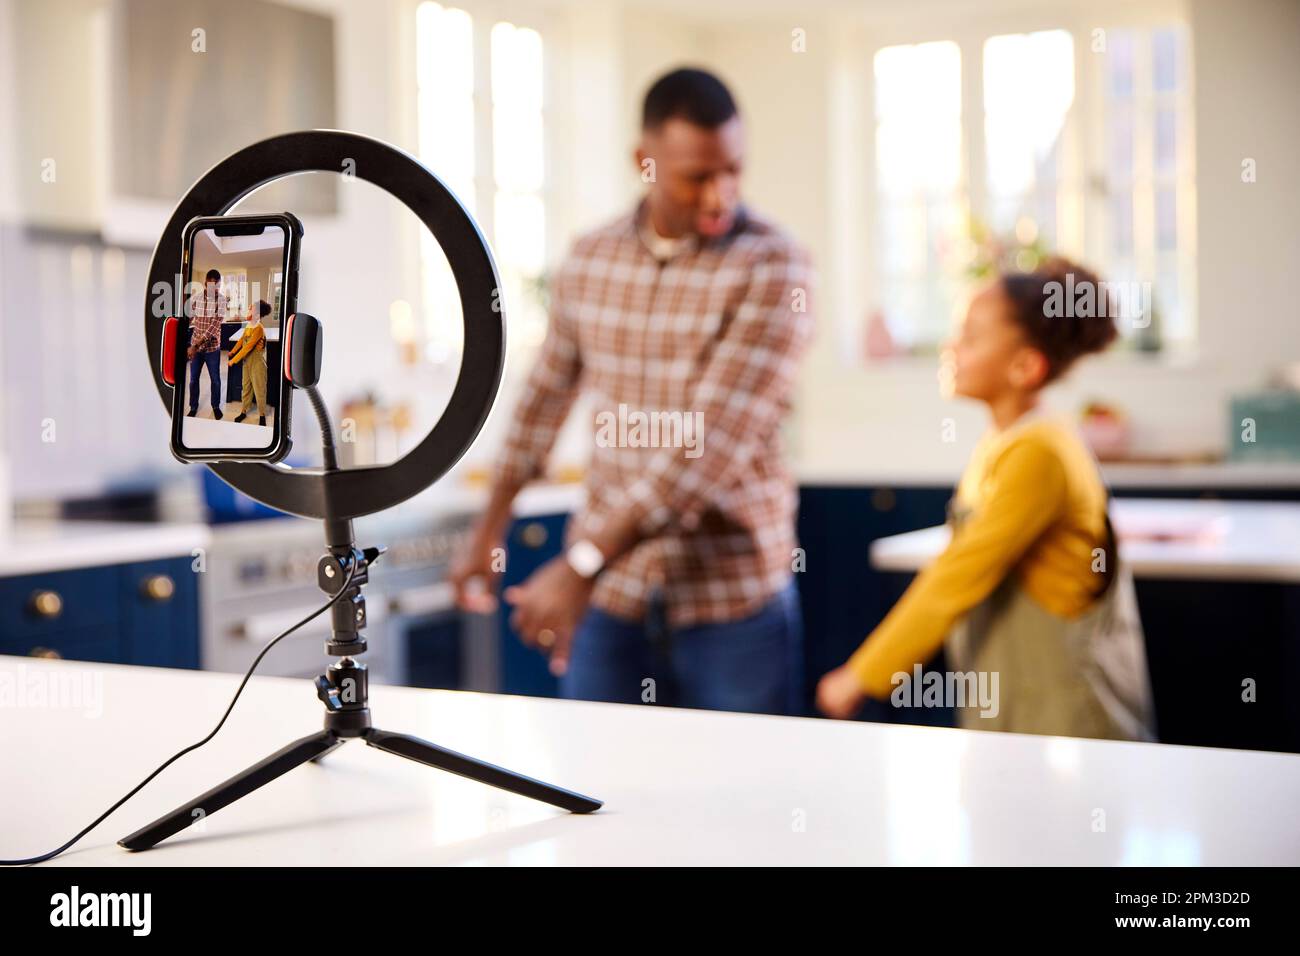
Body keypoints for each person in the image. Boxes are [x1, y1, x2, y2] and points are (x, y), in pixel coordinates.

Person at [450, 67, 815, 715]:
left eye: (733, 170)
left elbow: (707, 449)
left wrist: (582, 563)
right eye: (696, 176)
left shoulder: (773, 263)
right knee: (600, 794)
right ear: (644, 163)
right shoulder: (590, 258)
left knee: (739, 802)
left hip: (730, 603)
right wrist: (492, 523)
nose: (719, 196)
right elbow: (544, 396)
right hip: (612, 604)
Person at [816, 258, 1154, 741]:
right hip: (1020, 710)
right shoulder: (1007, 441)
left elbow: (958, 575)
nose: (950, 347)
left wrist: (861, 676)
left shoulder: (1040, 452)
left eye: (970, 337)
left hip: (1067, 719)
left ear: (1025, 367)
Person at [186, 268, 225, 419]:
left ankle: (215, 406)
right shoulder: (196, 298)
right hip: (195, 346)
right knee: (193, 379)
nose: (215, 290)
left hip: (211, 349)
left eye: (217, 286)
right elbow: (189, 316)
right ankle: (193, 406)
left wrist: (194, 346)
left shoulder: (221, 301)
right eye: (212, 286)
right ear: (205, 284)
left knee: (215, 379)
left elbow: (213, 327)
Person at [230, 300, 271, 426]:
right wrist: (232, 352)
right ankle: (244, 411)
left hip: (257, 363)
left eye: (251, 308)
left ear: (257, 315)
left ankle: (262, 414)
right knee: (246, 387)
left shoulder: (258, 328)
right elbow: (241, 340)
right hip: (247, 362)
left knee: (259, 389)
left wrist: (233, 360)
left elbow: (247, 347)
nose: (249, 308)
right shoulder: (249, 325)